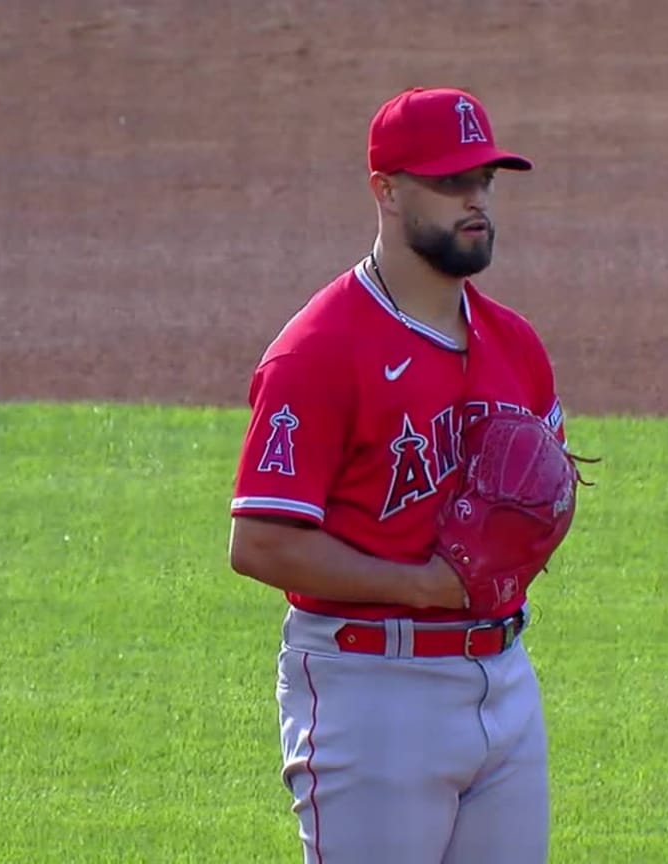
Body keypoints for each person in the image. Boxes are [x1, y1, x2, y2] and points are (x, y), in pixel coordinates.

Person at [227, 86, 573, 863]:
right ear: (385, 190)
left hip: (504, 677)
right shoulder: (319, 350)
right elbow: (259, 544)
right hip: (371, 688)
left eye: (482, 180)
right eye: (449, 183)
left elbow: (545, 503)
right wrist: (423, 585)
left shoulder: (515, 344)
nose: (474, 200)